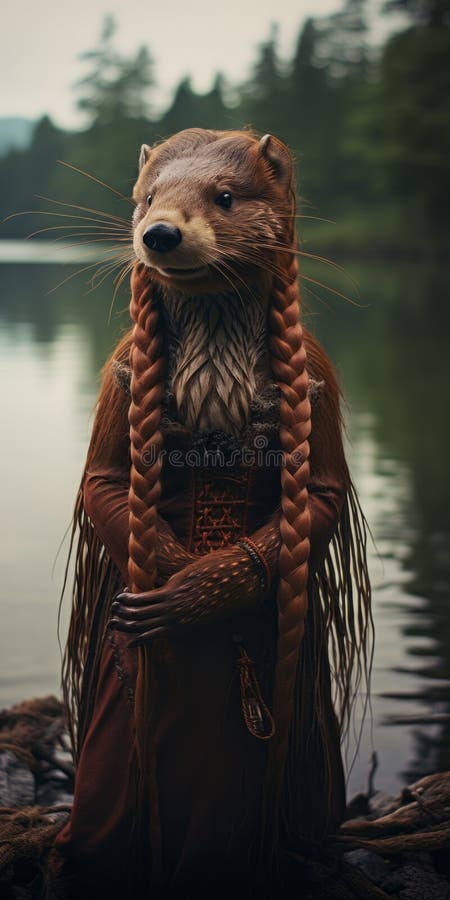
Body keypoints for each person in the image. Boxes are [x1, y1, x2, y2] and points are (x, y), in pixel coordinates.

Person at [54, 129, 371, 899]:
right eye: (153, 209)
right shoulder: (133, 365)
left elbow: (325, 493)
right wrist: (155, 553)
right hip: (149, 615)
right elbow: (101, 480)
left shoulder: (306, 371)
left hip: (258, 624)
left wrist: (244, 570)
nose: (166, 228)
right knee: (113, 820)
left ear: (277, 205)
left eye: (222, 203)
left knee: (245, 816)